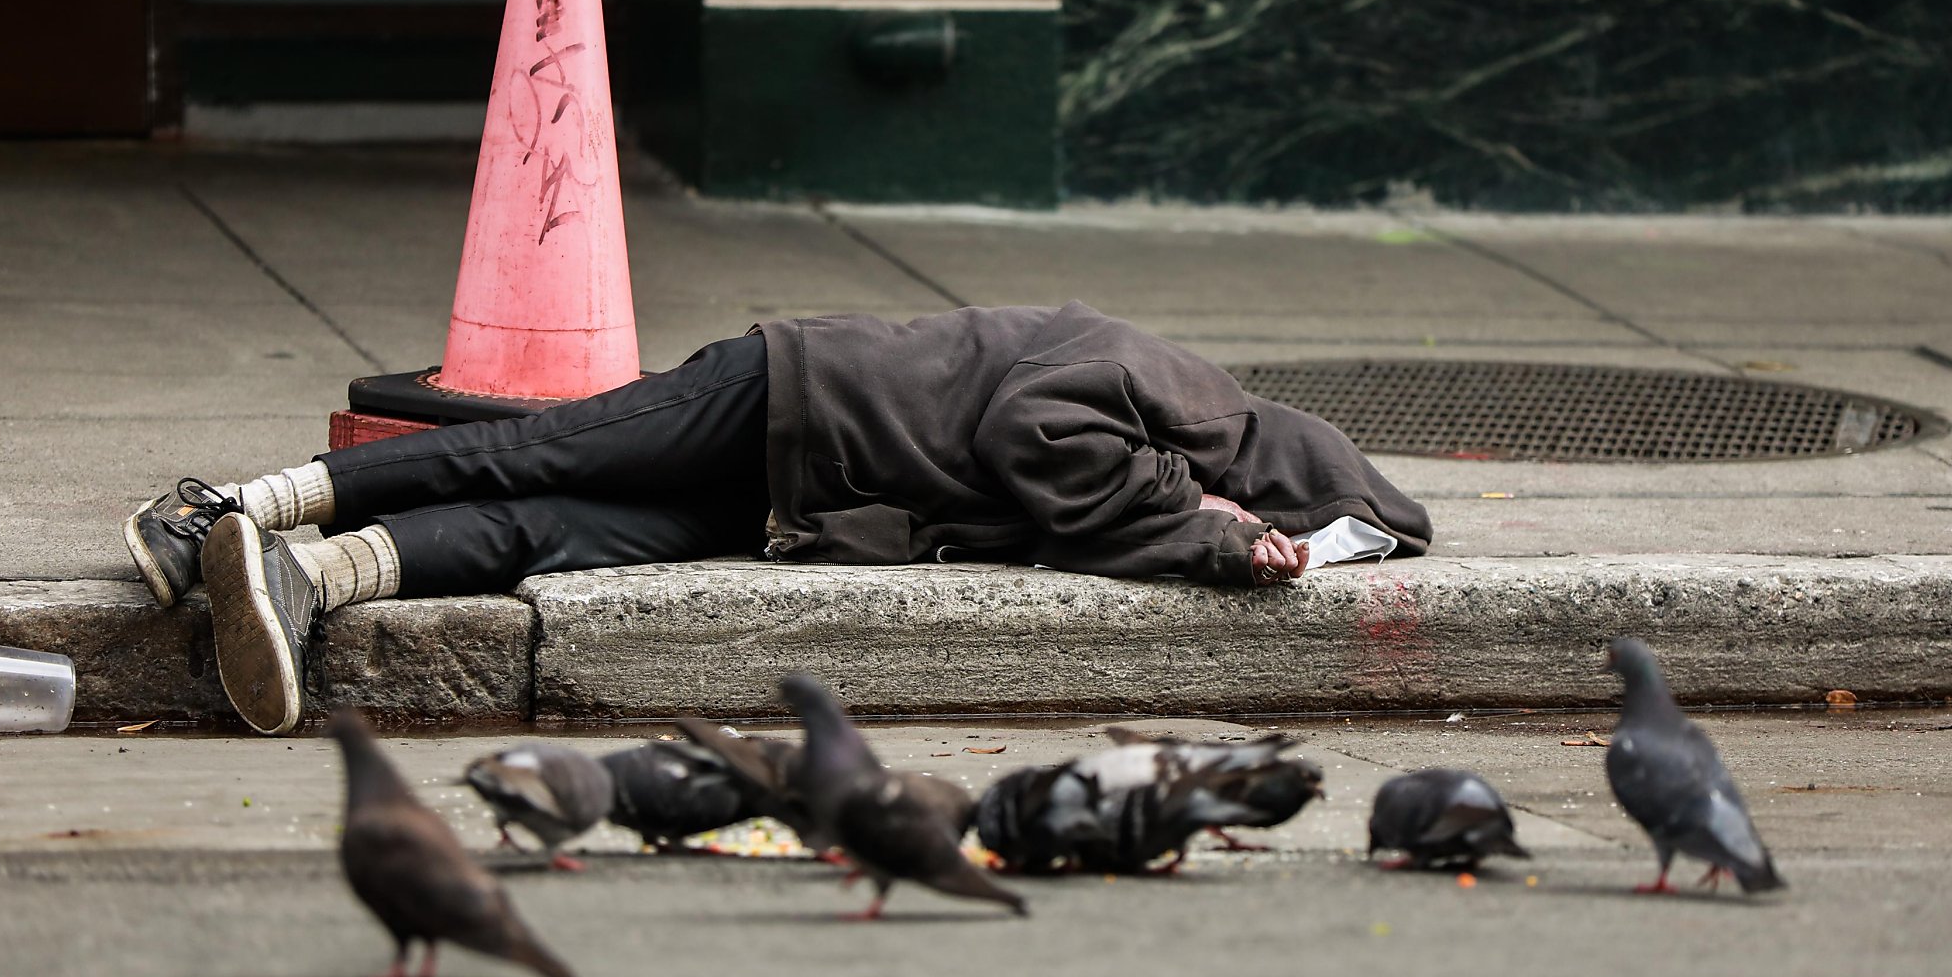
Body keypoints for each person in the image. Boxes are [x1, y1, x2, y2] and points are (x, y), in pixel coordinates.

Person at [124, 302, 1432, 734]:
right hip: (793, 393)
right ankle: (229, 507)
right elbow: (1037, 435)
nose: (1296, 552)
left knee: (550, 532)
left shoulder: (1190, 461)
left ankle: (310, 582)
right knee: (528, 454)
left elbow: (1054, 497)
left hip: (800, 500)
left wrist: (1194, 526)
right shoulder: (1196, 404)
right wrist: (1202, 526)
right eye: (1309, 536)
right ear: (1287, 480)